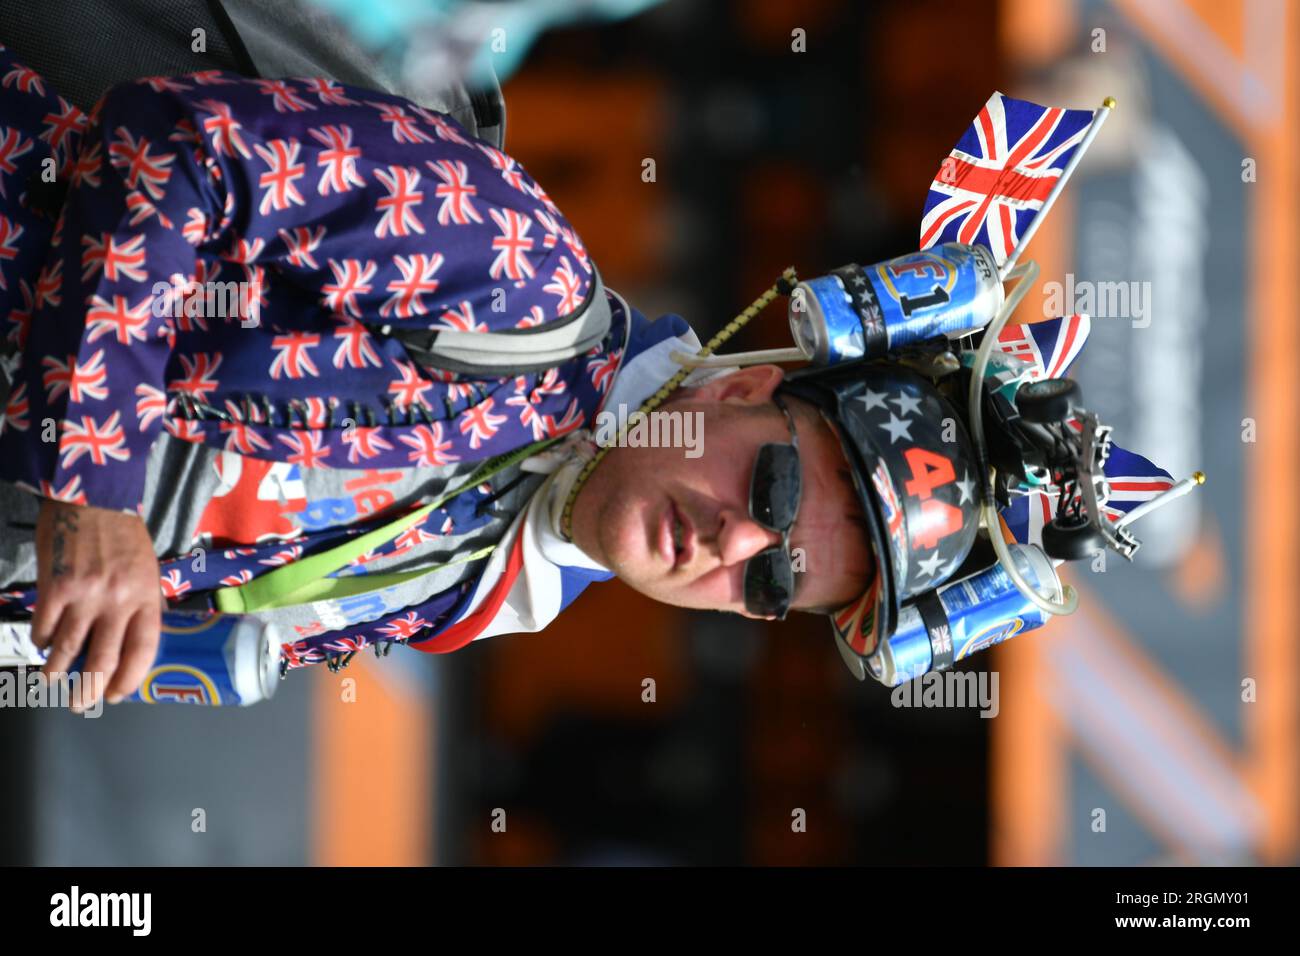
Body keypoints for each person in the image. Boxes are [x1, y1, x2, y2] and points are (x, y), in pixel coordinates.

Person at [0, 40, 918, 711]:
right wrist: (95, 485)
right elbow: (171, 145)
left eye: (774, 581)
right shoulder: (523, 280)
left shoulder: (473, 588)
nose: (734, 544)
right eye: (775, 487)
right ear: (738, 392)